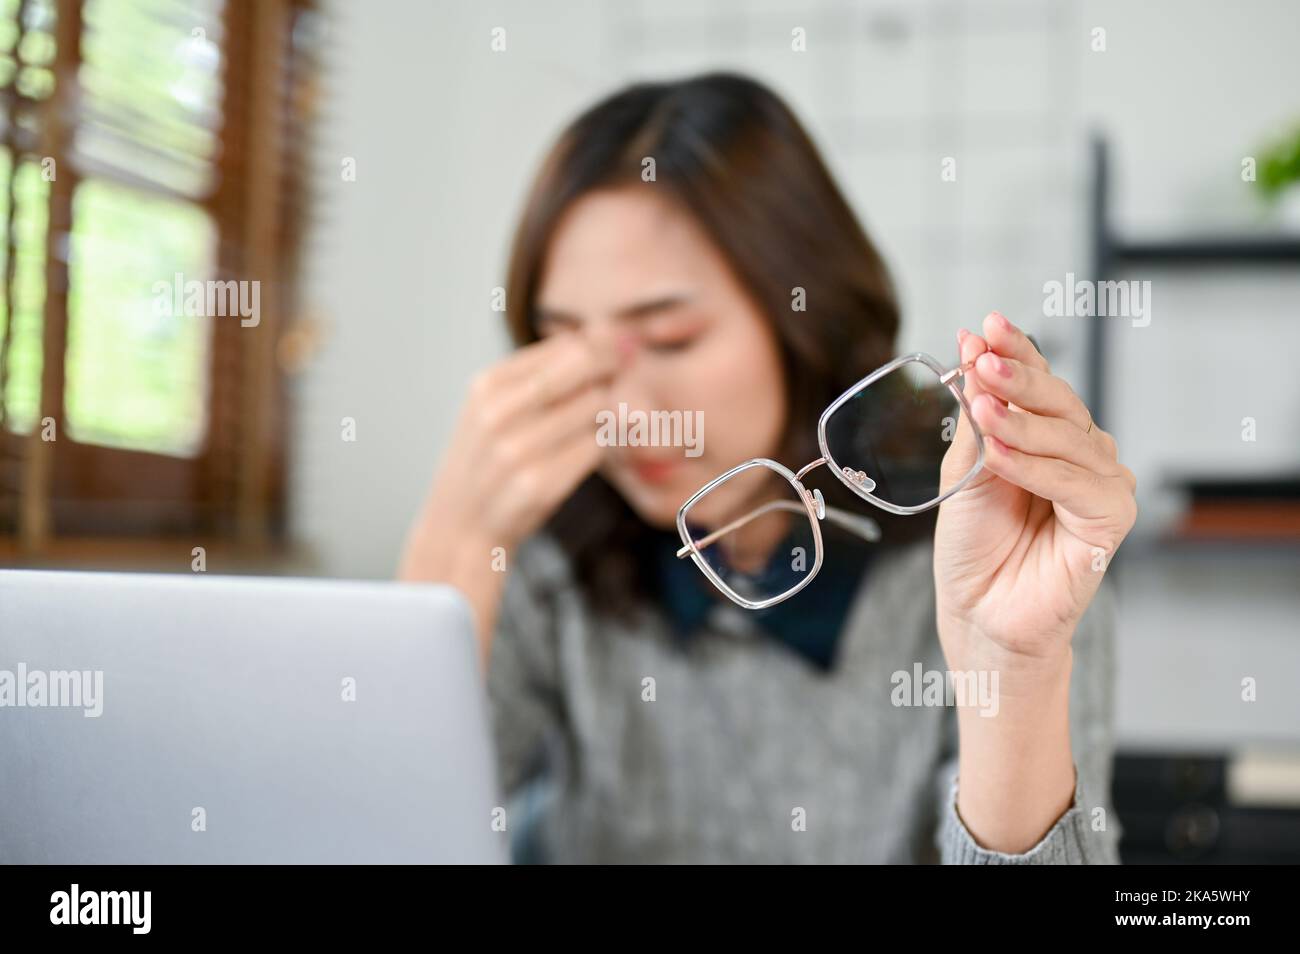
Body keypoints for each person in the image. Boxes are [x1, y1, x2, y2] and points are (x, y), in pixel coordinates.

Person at [399, 73, 1137, 863]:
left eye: (673, 338)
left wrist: (1010, 675)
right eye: (568, 344)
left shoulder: (1005, 552)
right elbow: (381, 839)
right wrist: (454, 552)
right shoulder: (544, 551)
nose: (622, 410)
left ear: (803, 316)